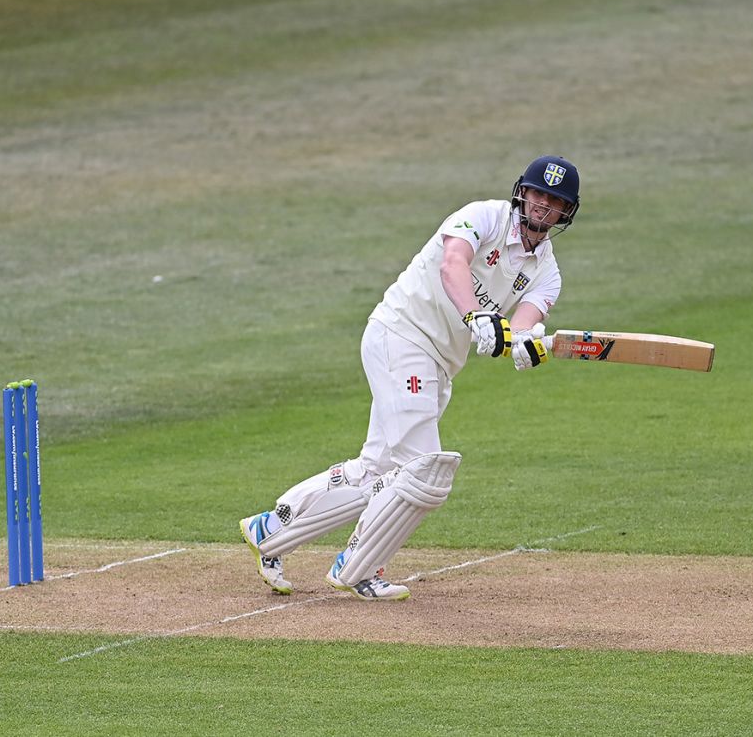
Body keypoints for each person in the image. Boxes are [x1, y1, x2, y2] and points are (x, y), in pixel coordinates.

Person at [239, 155, 581, 601]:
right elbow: (452, 264)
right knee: (425, 471)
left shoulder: (547, 272)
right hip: (401, 336)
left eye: (554, 200)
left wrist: (522, 344)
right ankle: (361, 566)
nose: (543, 205)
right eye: (538, 193)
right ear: (522, 192)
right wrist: (476, 315)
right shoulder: (483, 216)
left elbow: (520, 324)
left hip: (438, 364)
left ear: (565, 211)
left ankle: (270, 530)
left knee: (377, 469)